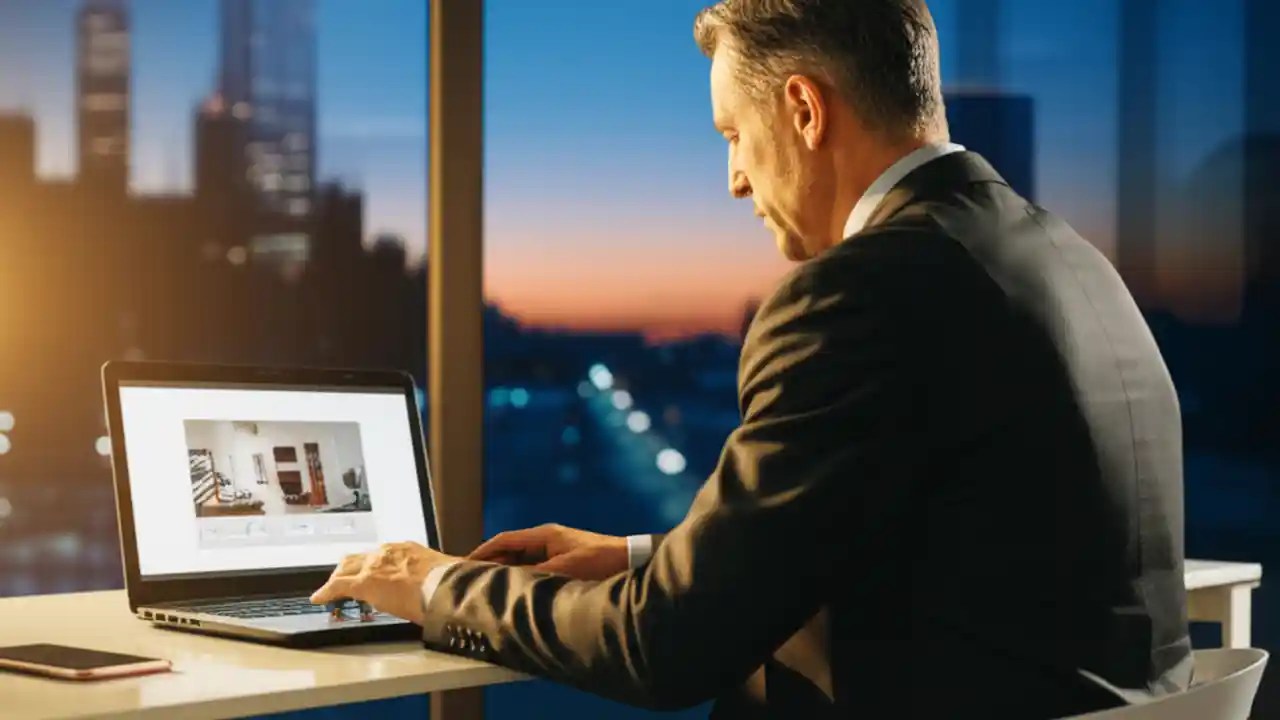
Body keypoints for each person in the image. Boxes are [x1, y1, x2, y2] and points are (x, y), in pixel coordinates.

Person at [312, 1, 1192, 716]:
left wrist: (437, 586)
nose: (734, 177)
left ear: (804, 111)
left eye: (733, 134)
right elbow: (941, 533)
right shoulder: (1074, 263)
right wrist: (641, 556)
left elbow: (664, 648)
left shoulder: (861, 293)